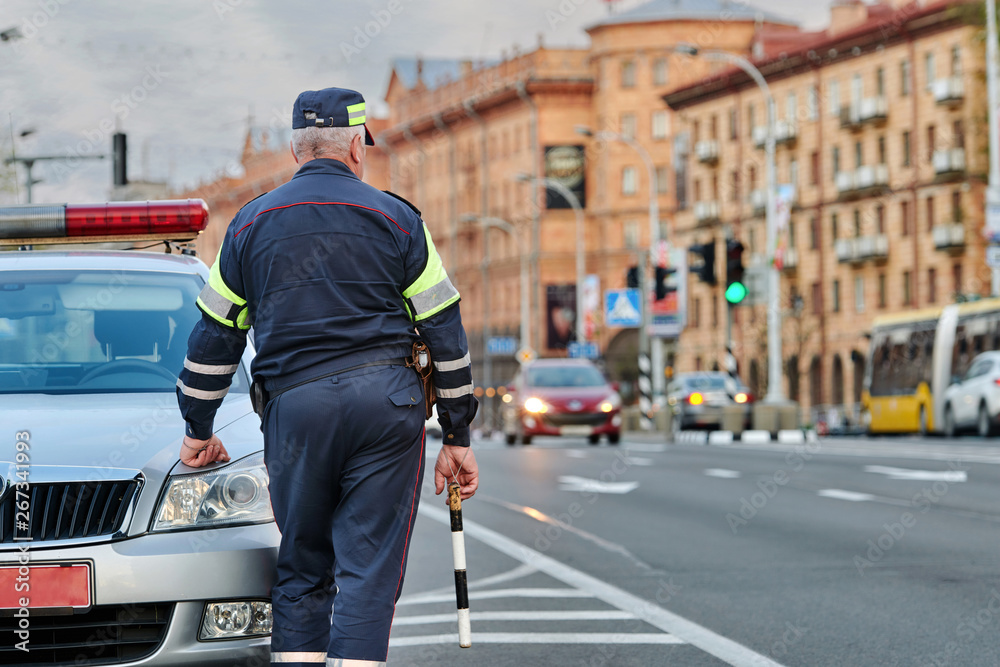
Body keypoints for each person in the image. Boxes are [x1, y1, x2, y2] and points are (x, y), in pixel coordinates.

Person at [175, 86, 479, 667]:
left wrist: (197, 425)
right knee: (368, 568)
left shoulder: (248, 226)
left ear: (296, 152)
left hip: (296, 413)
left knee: (303, 562)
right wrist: (458, 437)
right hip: (387, 409)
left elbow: (215, 338)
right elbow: (446, 332)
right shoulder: (398, 219)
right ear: (358, 149)